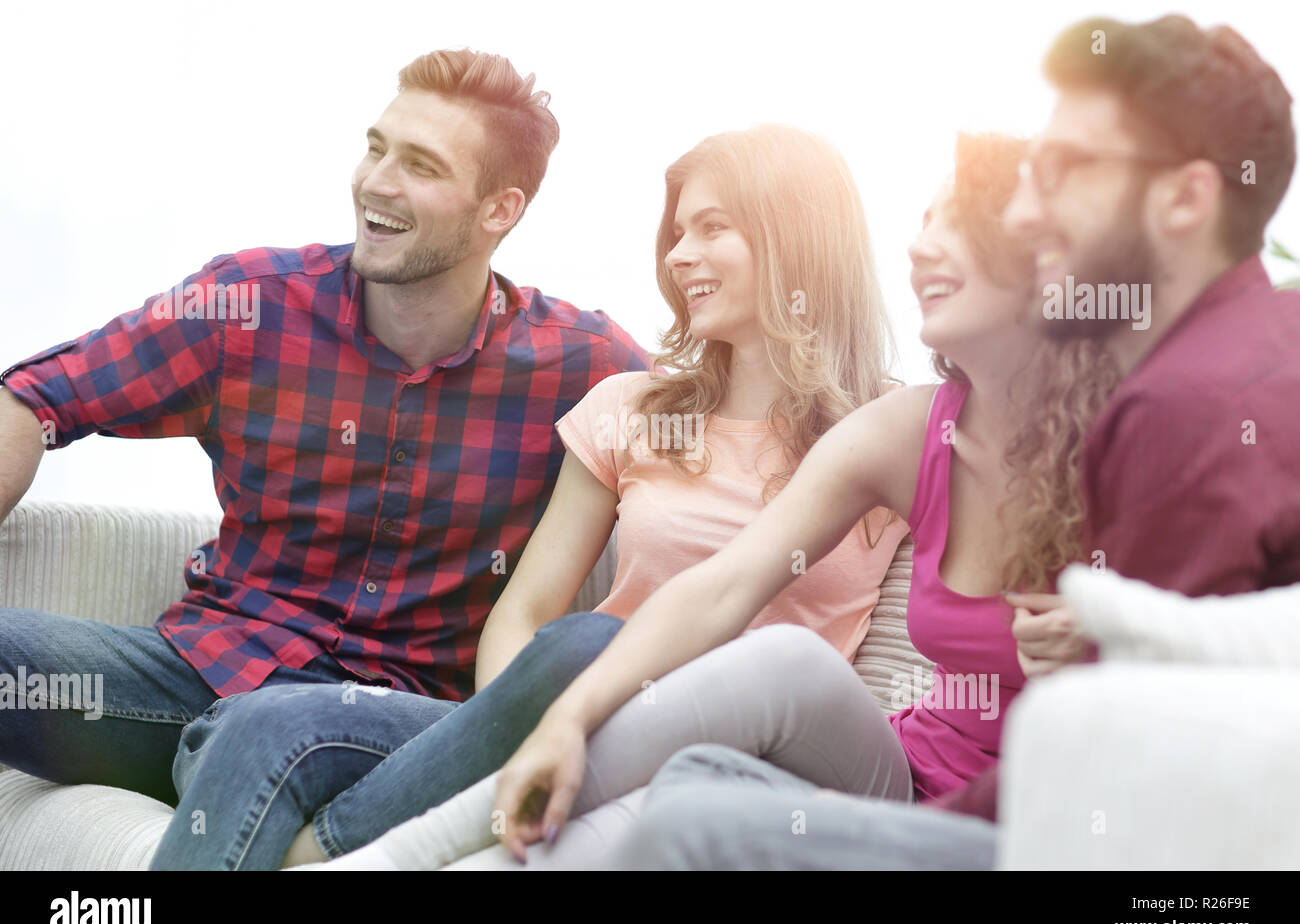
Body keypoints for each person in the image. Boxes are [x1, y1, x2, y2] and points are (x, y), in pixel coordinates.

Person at [306, 130, 1114, 871]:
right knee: (666, 729)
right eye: (924, 219)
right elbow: (724, 584)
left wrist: (1131, 631)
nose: (916, 245)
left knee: (668, 758)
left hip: (1015, 824)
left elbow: (1228, 638)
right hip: (889, 774)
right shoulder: (907, 430)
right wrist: (565, 720)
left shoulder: (1147, 446)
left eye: (957, 227)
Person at [616, 12, 1300, 869]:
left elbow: (1134, 763)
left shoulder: (1176, 407)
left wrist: (874, 816)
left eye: (1069, 173)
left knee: (694, 824)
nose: (1037, 209)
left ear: (1188, 199)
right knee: (703, 773)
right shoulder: (1228, 361)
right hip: (977, 786)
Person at [148, 124, 908, 870]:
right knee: (269, 721)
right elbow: (526, 612)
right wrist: (514, 724)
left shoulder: (892, 437)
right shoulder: (631, 409)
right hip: (572, 711)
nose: (679, 255)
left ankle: (337, 848)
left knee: (587, 646)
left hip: (728, 753)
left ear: (796, 239)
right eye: (677, 232)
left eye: (712, 228)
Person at [0, 48, 647, 808]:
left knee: (266, 729)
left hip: (398, 731)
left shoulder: (585, 366)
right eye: (376, 147)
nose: (376, 181)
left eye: (420, 165)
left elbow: (721, 448)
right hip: (201, 675)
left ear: (498, 209)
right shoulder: (248, 306)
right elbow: (35, 399)